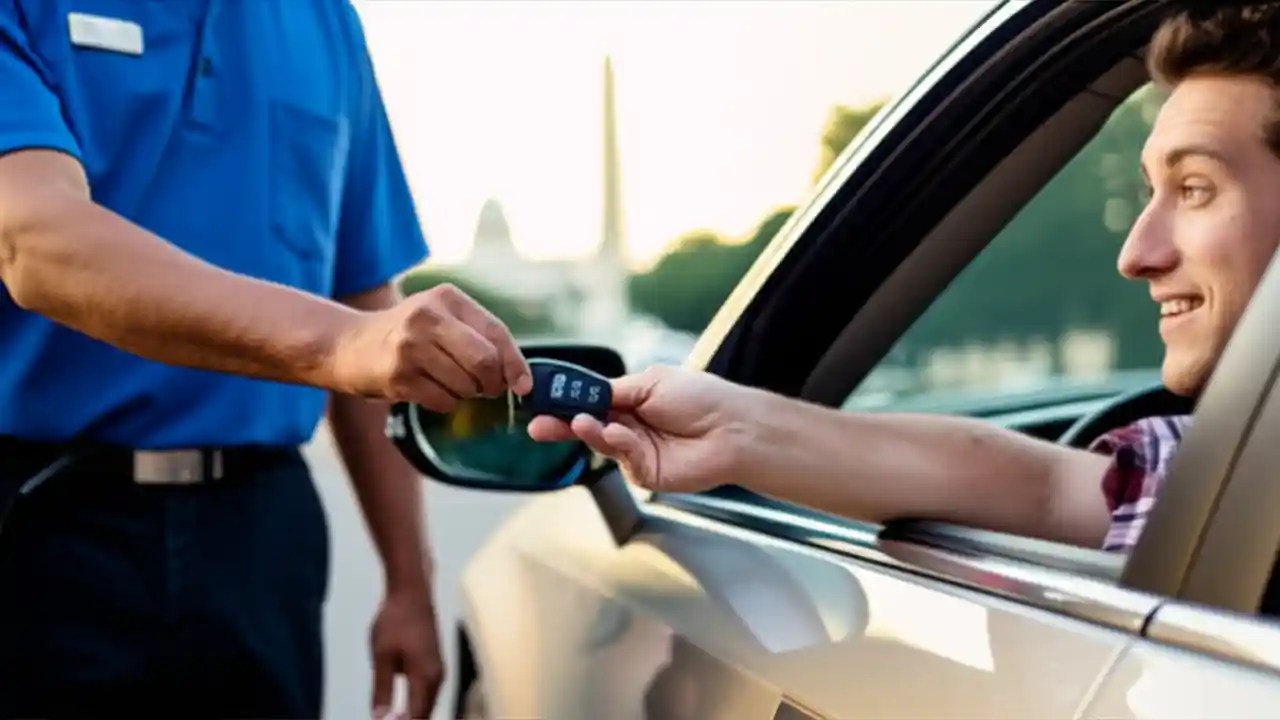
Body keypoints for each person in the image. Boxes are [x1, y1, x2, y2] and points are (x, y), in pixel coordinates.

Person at [529, 1, 1280, 555]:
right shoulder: (1226, 469)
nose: (1136, 253)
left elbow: (1043, 488)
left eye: (1195, 189)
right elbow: (1041, 486)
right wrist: (737, 428)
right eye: (1151, 190)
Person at [0, 2, 531, 719]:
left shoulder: (324, 19)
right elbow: (32, 241)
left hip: (261, 534)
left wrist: (410, 581)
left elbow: (365, 293)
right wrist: (342, 344)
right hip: (39, 519)